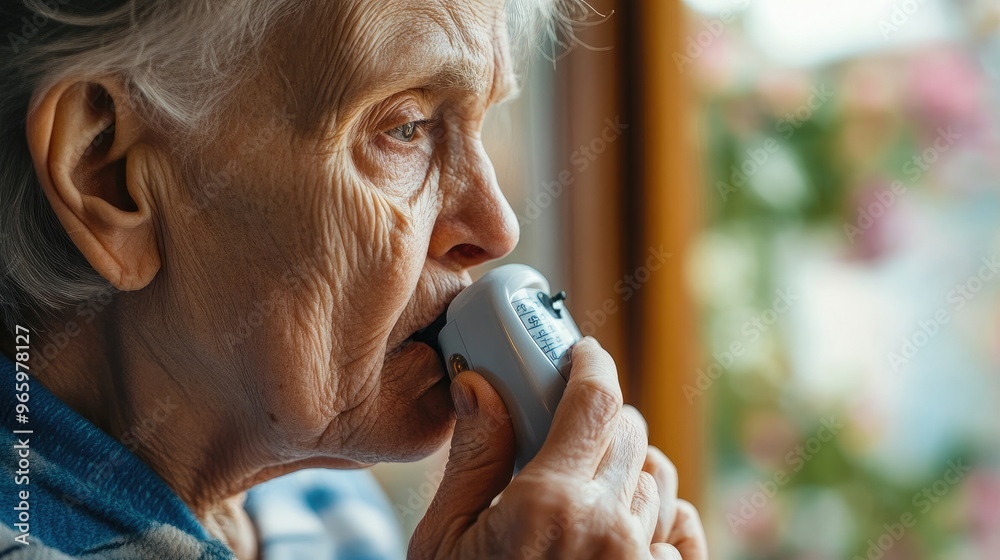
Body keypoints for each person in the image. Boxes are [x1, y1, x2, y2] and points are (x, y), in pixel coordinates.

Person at [0, 0, 708, 558]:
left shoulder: (328, 517)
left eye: (482, 123)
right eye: (406, 126)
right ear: (108, 171)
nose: (497, 228)